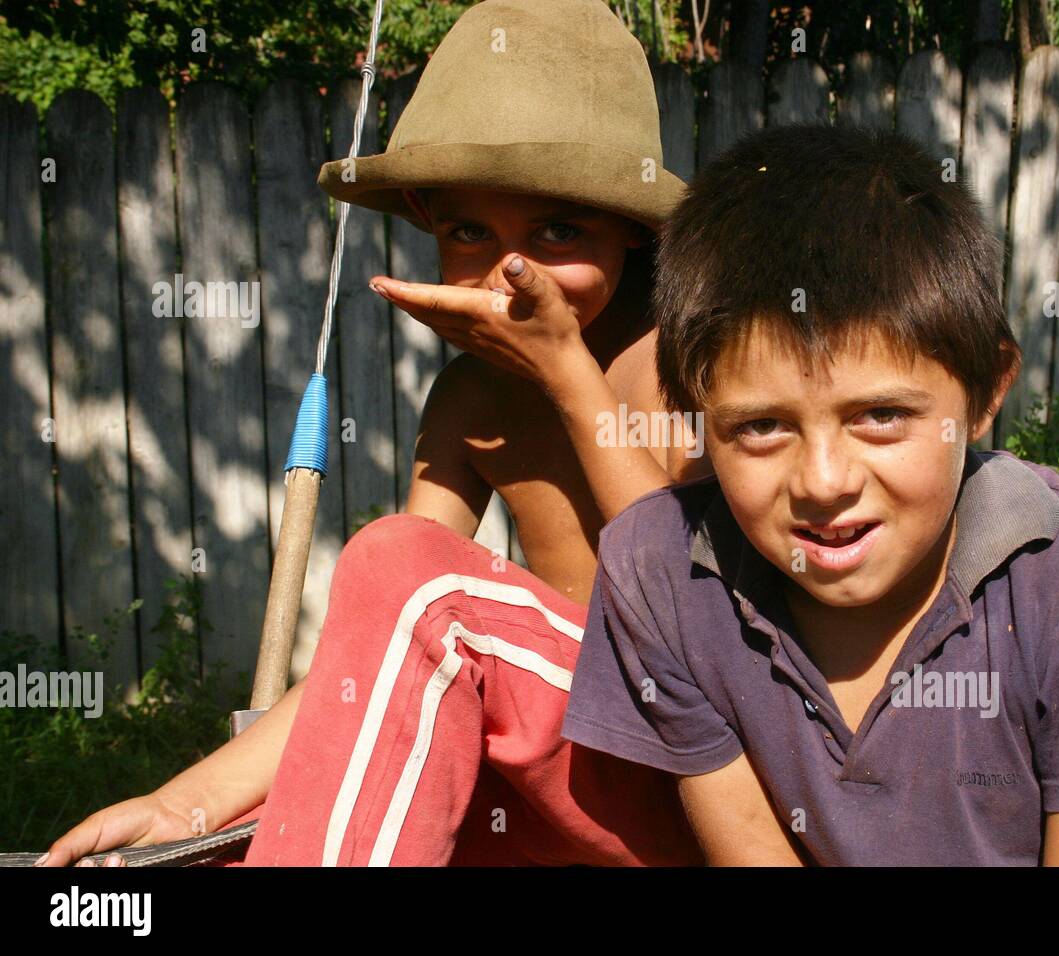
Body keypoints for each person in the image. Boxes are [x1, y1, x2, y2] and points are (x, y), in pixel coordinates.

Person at [37, 0, 706, 868]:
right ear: (429, 223)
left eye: (558, 229)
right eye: (471, 232)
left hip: (688, 777)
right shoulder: (473, 396)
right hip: (563, 784)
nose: (512, 271)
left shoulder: (695, 360)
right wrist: (185, 804)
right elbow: (397, 646)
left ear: (633, 225)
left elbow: (697, 626)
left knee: (401, 560)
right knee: (282, 819)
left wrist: (567, 375)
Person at [559, 123, 1059, 865]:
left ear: (986, 393)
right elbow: (753, 848)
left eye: (881, 417)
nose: (824, 482)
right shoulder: (660, 572)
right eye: (760, 427)